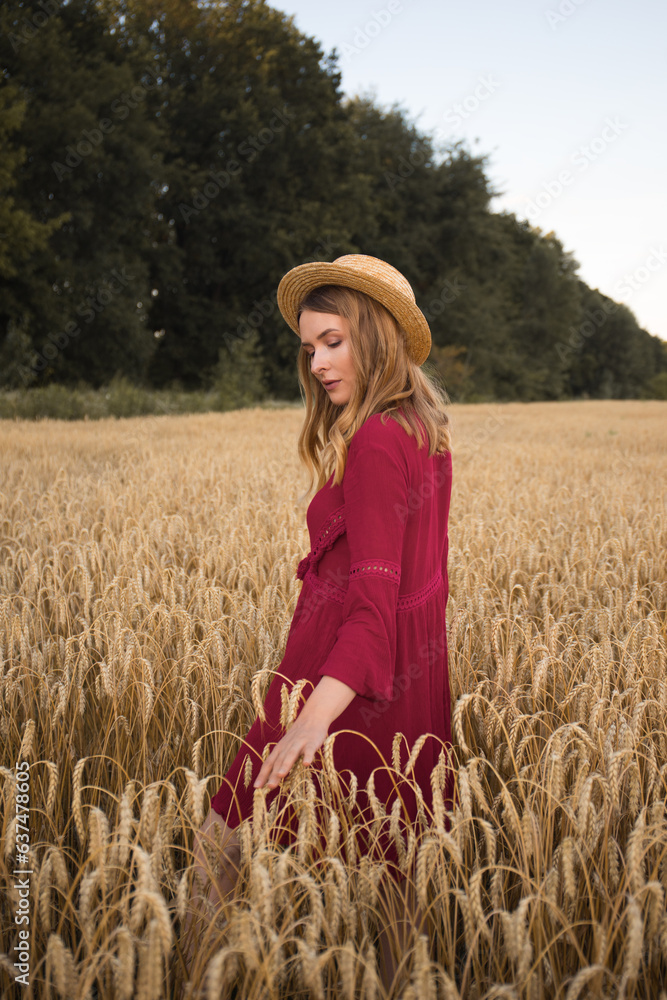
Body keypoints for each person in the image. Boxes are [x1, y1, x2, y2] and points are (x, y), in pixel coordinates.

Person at [179, 254, 454, 994]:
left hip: (335, 682)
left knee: (216, 852)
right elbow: (413, 587)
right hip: (408, 685)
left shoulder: (373, 442)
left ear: (376, 335)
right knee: (394, 881)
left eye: (333, 341)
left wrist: (306, 722)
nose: (319, 362)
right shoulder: (421, 429)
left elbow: (372, 599)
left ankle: (182, 981)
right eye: (309, 348)